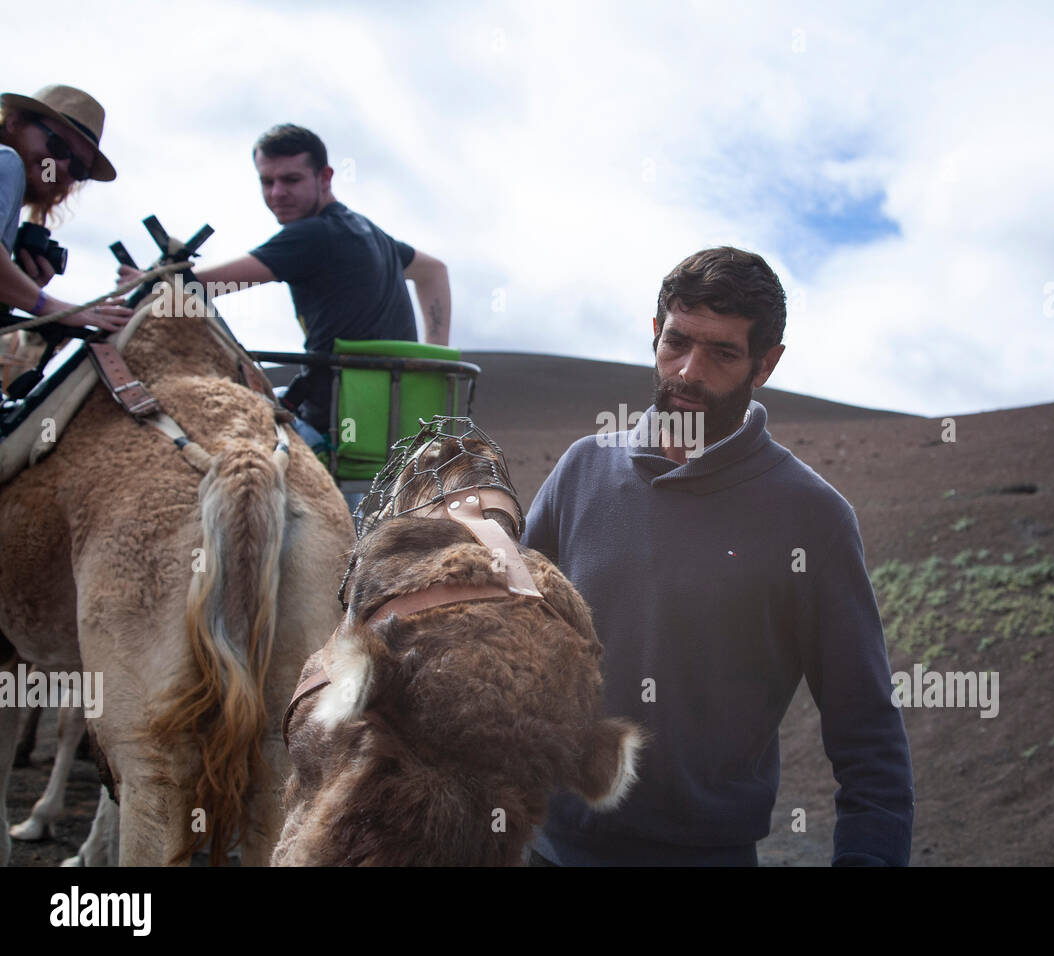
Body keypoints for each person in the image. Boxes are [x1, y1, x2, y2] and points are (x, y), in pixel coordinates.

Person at [521, 246, 914, 866]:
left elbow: (866, 729)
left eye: (723, 353)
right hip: (544, 844)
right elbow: (506, 630)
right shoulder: (582, 469)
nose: (688, 372)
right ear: (655, 333)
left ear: (766, 364)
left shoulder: (812, 517)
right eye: (677, 342)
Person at [116, 123, 451, 442]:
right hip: (389, 421)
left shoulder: (312, 235)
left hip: (330, 426)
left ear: (325, 177)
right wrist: (433, 361)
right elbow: (434, 271)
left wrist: (146, 282)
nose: (277, 193)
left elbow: (199, 290)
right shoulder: (367, 231)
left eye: (291, 180)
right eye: (267, 182)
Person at [0, 85, 132, 338]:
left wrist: (18, 288)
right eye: (57, 146)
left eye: (78, 168)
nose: (60, 167)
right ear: (15, 122)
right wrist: (48, 305)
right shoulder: (7, 161)